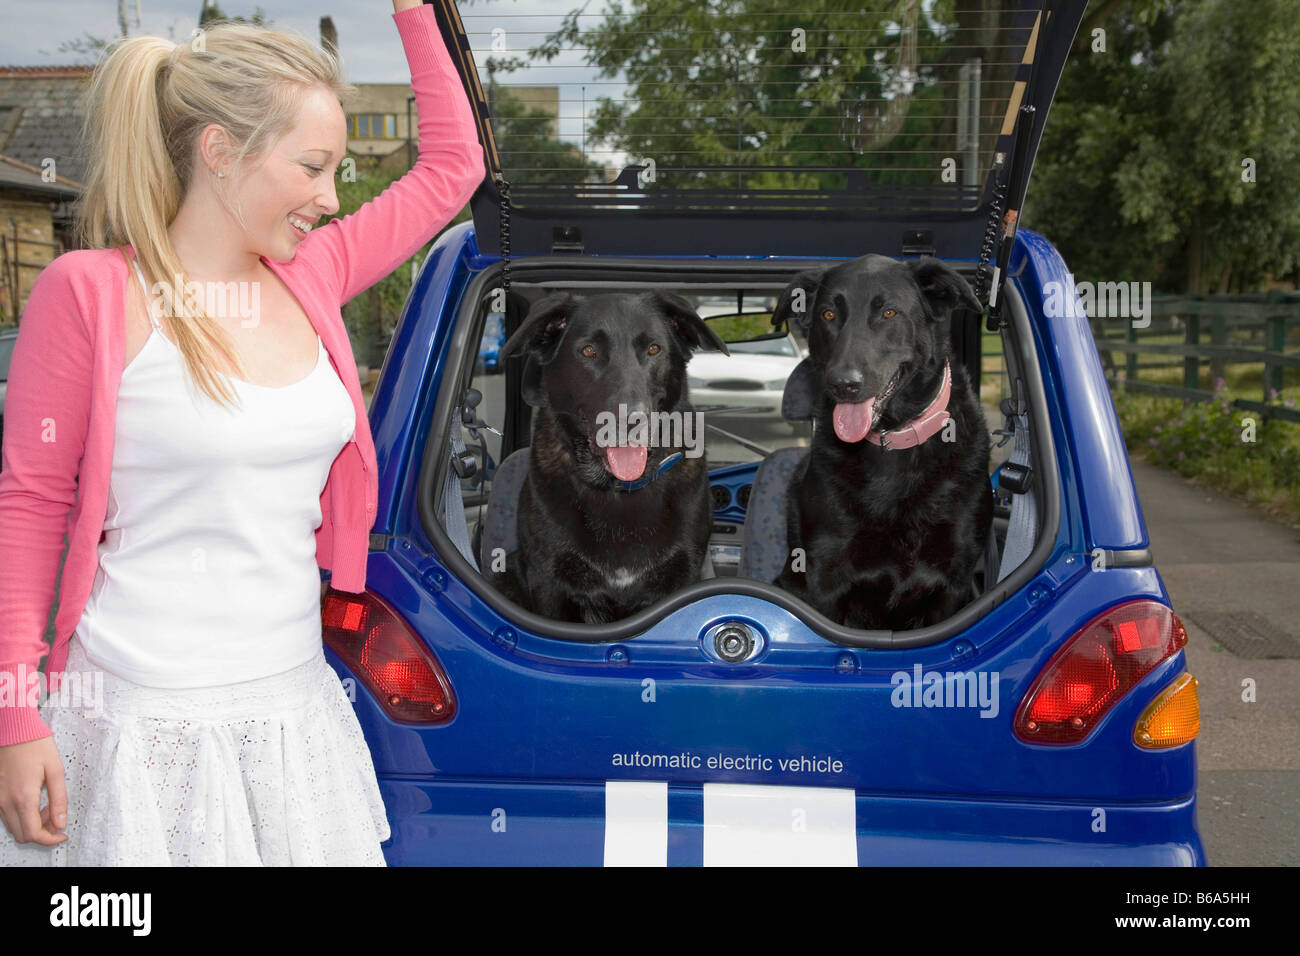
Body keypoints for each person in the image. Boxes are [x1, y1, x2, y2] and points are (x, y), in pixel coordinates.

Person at [0, 0, 482, 865]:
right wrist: (13, 714)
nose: (332, 199)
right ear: (220, 152)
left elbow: (454, 165)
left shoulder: (315, 273)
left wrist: (413, 7)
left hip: (290, 715)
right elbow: (28, 508)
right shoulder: (88, 293)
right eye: (312, 166)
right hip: (135, 727)